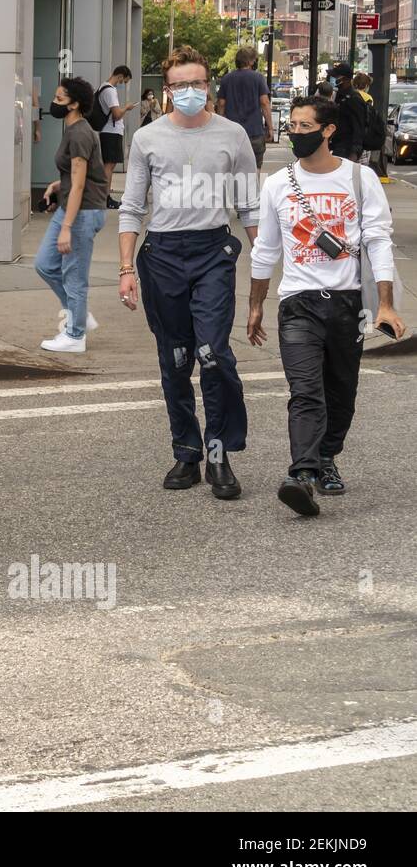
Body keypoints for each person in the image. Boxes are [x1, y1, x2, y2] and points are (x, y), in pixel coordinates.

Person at [247, 97, 405, 516]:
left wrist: (385, 305)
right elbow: (265, 249)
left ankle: (326, 456)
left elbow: (377, 242)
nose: (297, 132)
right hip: (298, 302)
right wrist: (255, 304)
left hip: (348, 303)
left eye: (305, 126)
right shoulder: (278, 184)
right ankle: (301, 474)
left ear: (328, 130)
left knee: (341, 392)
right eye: (293, 126)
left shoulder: (359, 178)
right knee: (306, 392)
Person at [118, 45, 260, 499]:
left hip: (213, 252)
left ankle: (219, 453)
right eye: (179, 85)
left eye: (196, 83)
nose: (189, 92)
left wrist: (265, 257)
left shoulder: (233, 135)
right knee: (175, 359)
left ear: (209, 86)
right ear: (167, 91)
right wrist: (126, 269)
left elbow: (249, 204)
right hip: (161, 256)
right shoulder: (148, 138)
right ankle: (186, 451)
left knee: (214, 353)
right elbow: (132, 208)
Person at [35, 76, 109, 353]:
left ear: (75, 104)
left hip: (82, 213)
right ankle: (79, 316)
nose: (53, 104)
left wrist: (67, 226)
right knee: (44, 264)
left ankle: (75, 336)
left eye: (59, 100)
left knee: (74, 276)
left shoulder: (79, 133)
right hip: (71, 207)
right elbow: (75, 176)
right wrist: (58, 185)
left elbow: (80, 183)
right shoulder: (73, 128)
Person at [216, 46, 273, 172]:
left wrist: (219, 125)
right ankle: (252, 190)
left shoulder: (227, 79)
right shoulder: (258, 78)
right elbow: (264, 103)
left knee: (231, 169)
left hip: (231, 133)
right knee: (255, 169)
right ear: (250, 61)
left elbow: (221, 103)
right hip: (254, 132)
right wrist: (270, 128)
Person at [95, 65, 136, 192]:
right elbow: (117, 114)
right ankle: (105, 196)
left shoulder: (103, 87)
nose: (122, 84)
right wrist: (127, 107)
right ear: (120, 76)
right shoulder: (110, 90)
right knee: (109, 165)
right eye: (124, 81)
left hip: (107, 130)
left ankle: (106, 193)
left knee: (109, 164)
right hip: (111, 131)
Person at [326, 62, 369, 162]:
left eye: (335, 77)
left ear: (343, 79)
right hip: (338, 145)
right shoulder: (340, 96)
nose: (331, 79)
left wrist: (354, 153)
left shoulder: (354, 99)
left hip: (347, 149)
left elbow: (359, 127)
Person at [351, 71, 389, 179]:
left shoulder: (350, 95)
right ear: (366, 86)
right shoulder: (367, 98)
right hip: (363, 138)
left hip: (349, 137)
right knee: (362, 167)